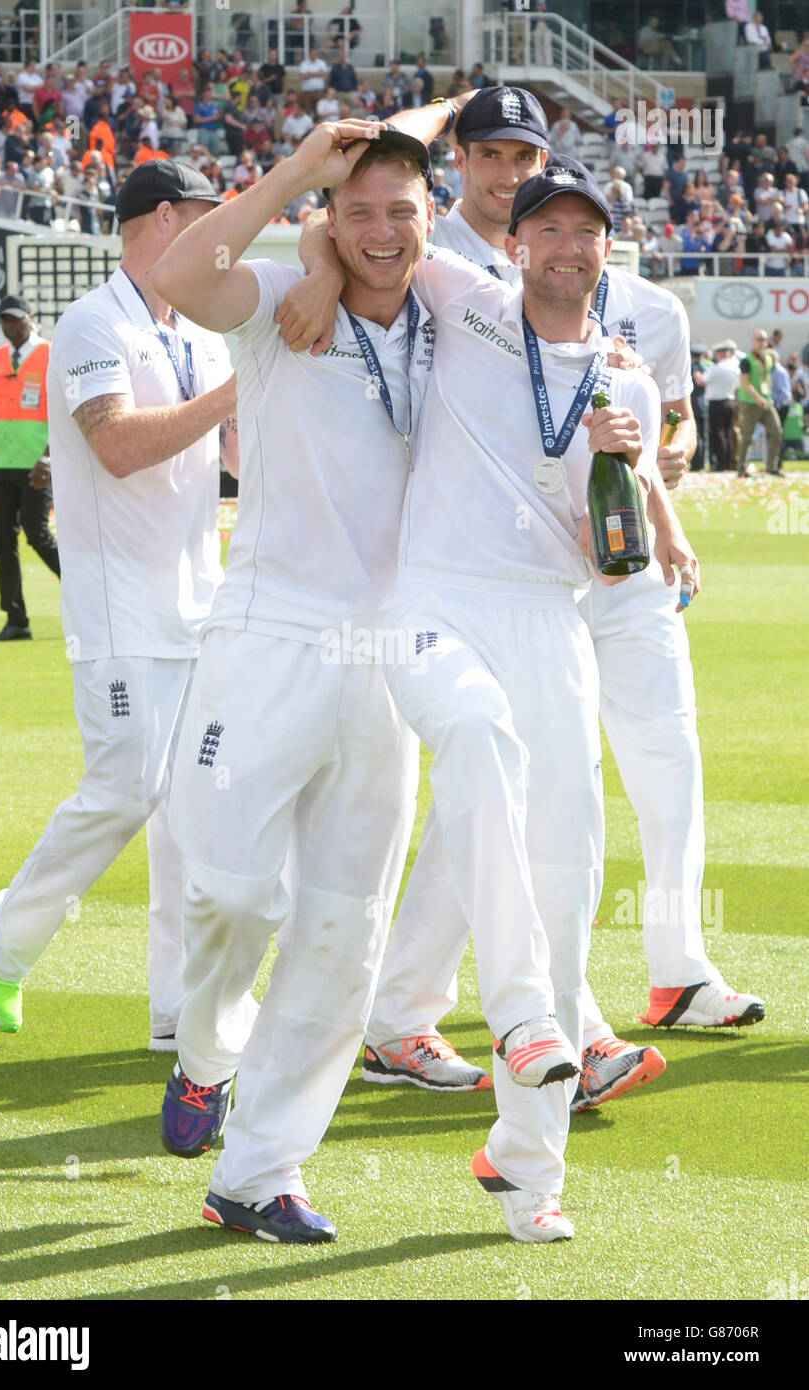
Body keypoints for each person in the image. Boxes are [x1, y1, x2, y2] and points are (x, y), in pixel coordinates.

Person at [344, 93, 762, 1112]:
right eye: (482, 153)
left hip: (576, 573)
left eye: (519, 154)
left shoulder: (634, 307)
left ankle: (427, 1014)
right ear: (461, 166)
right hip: (449, 574)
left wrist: (660, 507)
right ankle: (546, 1024)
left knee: (553, 787)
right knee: (493, 780)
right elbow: (346, 217)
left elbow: (636, 432)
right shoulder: (439, 256)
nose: (501, 172)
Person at [151, 122, 428, 1243]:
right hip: (268, 634)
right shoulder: (276, 303)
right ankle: (209, 1052)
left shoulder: (454, 309)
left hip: (390, 661)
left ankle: (259, 1173)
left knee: (346, 927)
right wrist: (300, 185)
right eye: (355, 211)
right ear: (328, 213)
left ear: (427, 214)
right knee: (228, 892)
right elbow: (178, 275)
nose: (379, 231)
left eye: (398, 210)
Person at [0, 161, 236, 1052]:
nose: (218, 239)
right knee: (127, 787)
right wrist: (234, 397)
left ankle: (175, 1013)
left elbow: (233, 455)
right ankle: (6, 941)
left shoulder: (199, 327)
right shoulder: (91, 322)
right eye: (204, 221)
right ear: (164, 221)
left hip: (200, 603)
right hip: (120, 603)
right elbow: (116, 443)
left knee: (192, 816)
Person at [0, 297, 60, 641]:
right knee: (2, 541)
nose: (11, 326)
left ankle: (91, 597)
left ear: (32, 320)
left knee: (38, 536)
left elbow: (64, 412)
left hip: (38, 464)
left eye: (17, 320)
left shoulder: (52, 354)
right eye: (5, 321)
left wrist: (48, 458)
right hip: (2, 464)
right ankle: (16, 619)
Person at [735, 328, 784, 476]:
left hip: (766, 402)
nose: (762, 342)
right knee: (747, 436)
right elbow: (744, 381)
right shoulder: (746, 360)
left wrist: (766, 397)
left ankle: (772, 466)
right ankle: (741, 469)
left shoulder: (768, 358)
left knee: (777, 432)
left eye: (764, 339)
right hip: (750, 402)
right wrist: (757, 397)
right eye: (759, 339)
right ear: (753, 342)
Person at [703, 341, 741, 471]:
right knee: (729, 433)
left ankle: (721, 463)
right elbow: (738, 387)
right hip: (730, 401)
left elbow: (703, 380)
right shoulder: (736, 368)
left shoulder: (716, 368)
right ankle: (730, 462)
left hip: (716, 403)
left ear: (720, 354)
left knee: (718, 434)